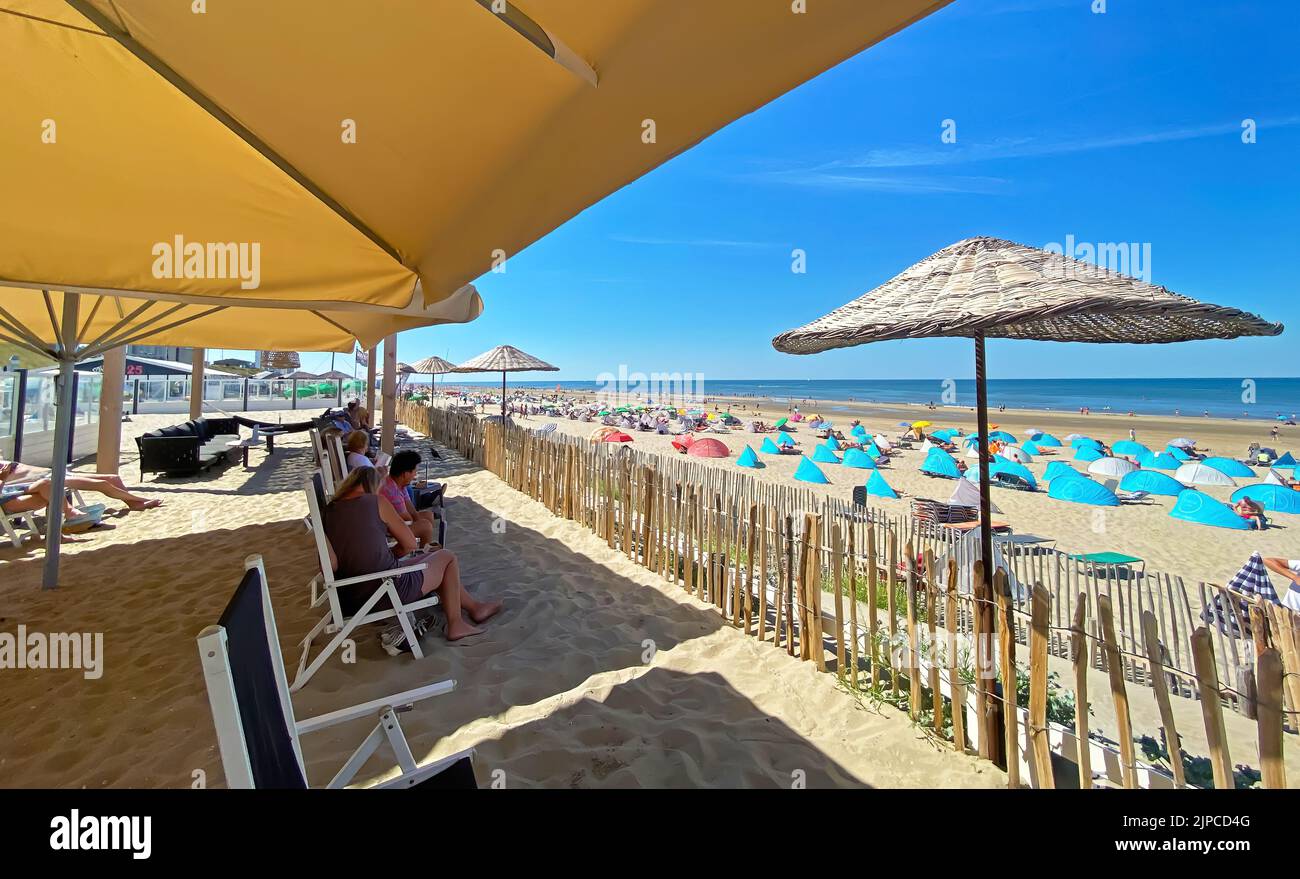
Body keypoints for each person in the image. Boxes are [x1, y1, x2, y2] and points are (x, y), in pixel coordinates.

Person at [324, 468, 498, 641]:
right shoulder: (376, 502)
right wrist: (391, 554)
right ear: (373, 486)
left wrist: (380, 556)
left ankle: (475, 608)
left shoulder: (328, 511)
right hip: (385, 590)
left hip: (351, 595)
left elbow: (331, 565)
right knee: (447, 557)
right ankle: (456, 624)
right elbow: (409, 544)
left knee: (431, 560)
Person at [1, 459, 161, 517]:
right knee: (103, 484)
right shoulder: (5, 474)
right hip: (46, 479)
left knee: (113, 477)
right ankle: (140, 500)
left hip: (53, 473)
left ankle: (133, 503)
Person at [380, 450, 439, 546]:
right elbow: (407, 517)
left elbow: (411, 510)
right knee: (426, 526)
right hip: (387, 530)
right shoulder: (391, 491)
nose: (415, 475)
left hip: (396, 522)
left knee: (428, 515)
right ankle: (422, 553)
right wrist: (420, 524)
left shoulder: (400, 484)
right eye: (415, 472)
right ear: (406, 473)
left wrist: (417, 519)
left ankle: (425, 546)